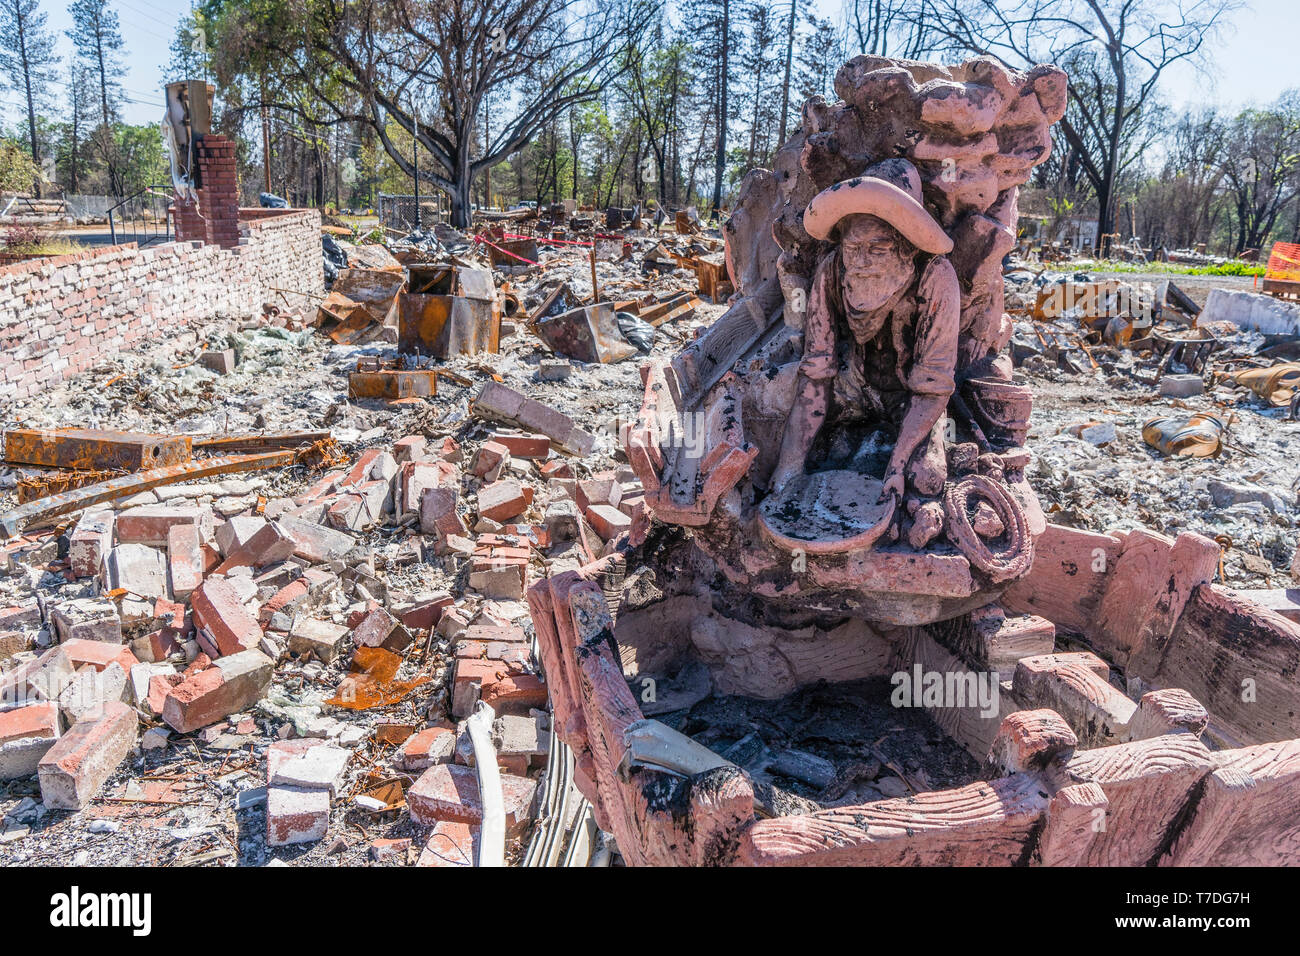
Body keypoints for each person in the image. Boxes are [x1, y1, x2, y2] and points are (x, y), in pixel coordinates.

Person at [770, 158, 961, 505]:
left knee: (926, 478)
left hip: (913, 396)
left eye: (877, 249)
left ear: (906, 245)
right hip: (853, 385)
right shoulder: (832, 271)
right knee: (773, 412)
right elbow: (816, 372)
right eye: (853, 249)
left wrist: (897, 467)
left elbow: (932, 388)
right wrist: (789, 467)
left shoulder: (936, 277)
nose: (861, 262)